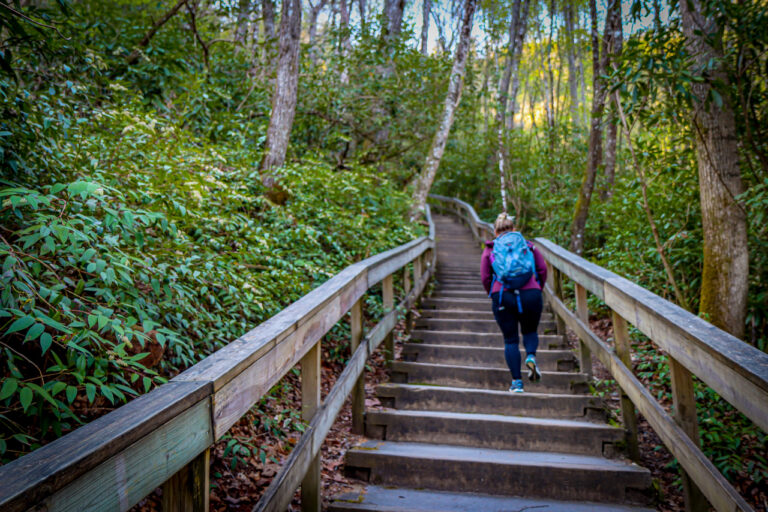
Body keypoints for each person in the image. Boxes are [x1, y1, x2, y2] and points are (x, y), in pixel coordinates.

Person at [481, 213, 548, 393]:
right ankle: (531, 357)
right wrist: (537, 288)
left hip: (503, 295)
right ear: (514, 229)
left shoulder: (491, 249)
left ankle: (517, 383)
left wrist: (493, 295)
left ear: (495, 231)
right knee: (530, 331)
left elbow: (485, 277)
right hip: (531, 293)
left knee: (510, 340)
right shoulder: (528, 246)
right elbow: (542, 269)